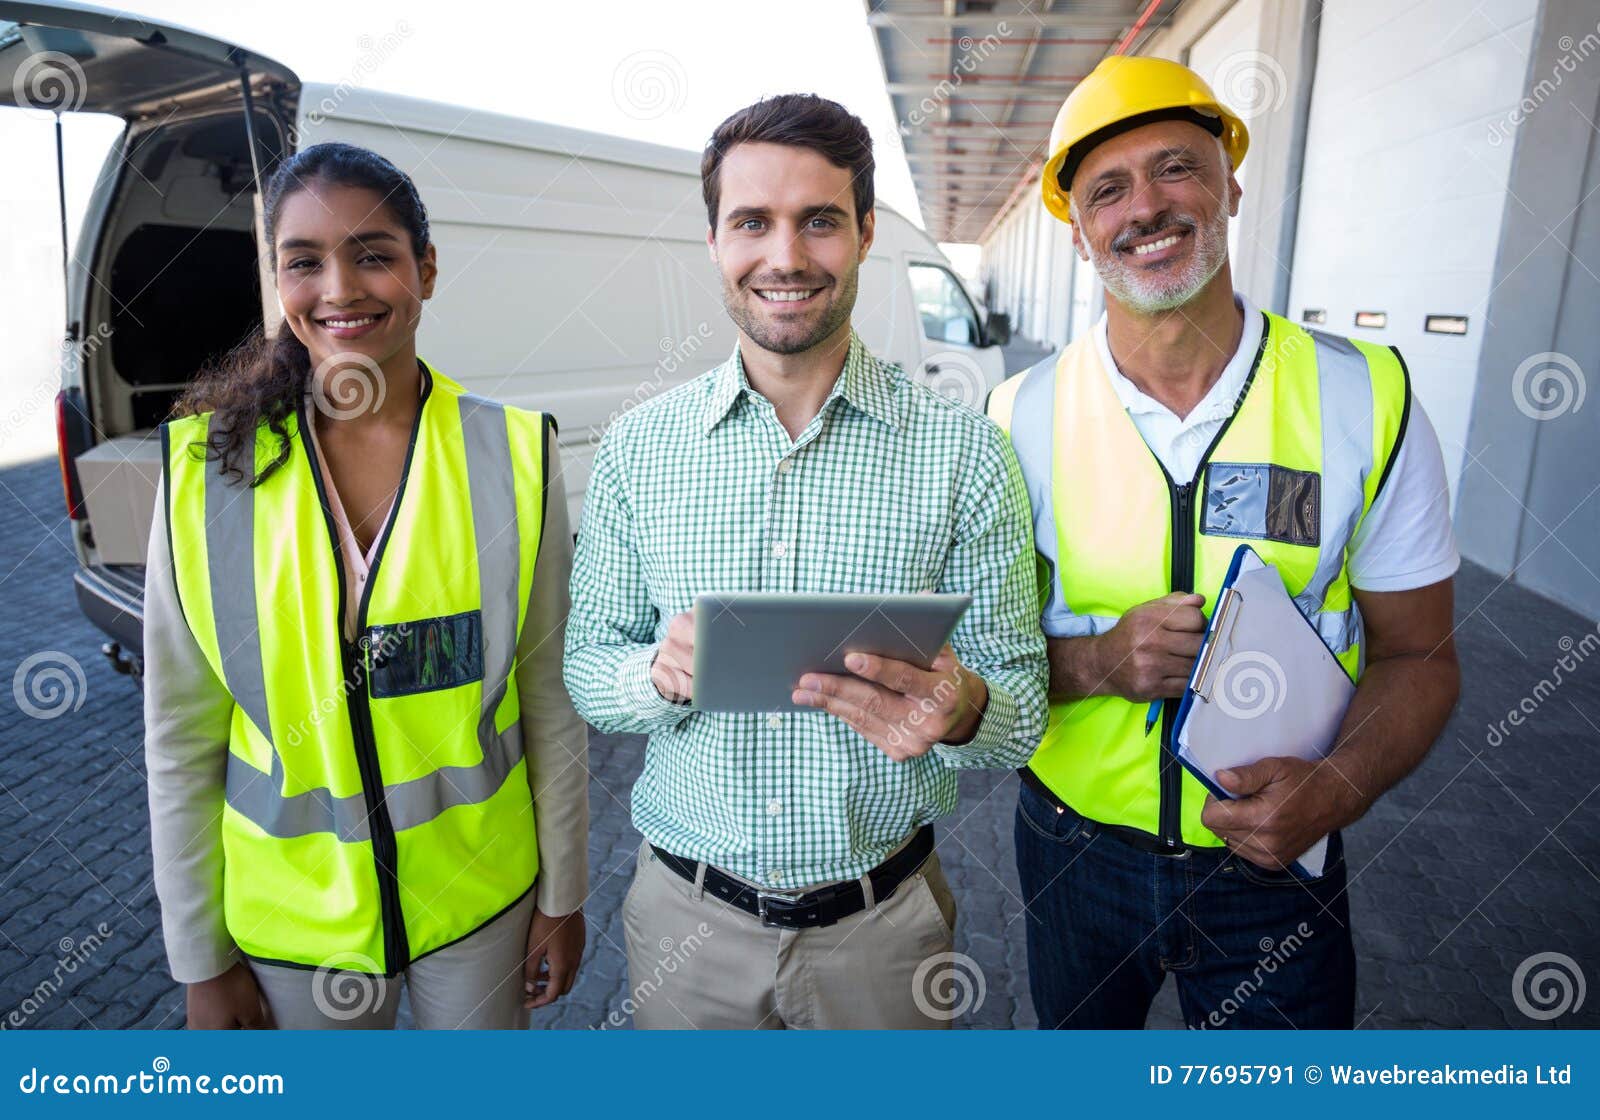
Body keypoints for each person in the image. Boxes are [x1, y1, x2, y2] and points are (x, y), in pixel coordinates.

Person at [988, 57, 1461, 1029]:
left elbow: (1421, 654)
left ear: (1230, 183)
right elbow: (977, 664)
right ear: (1078, 232)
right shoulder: (1015, 417)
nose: (1146, 207)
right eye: (1107, 189)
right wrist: (1096, 658)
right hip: (1074, 850)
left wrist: (1335, 786)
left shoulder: (1363, 395)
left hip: (1275, 855)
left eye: (1176, 168)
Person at [563, 94, 1047, 1029]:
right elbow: (587, 667)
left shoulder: (963, 452)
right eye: (752, 222)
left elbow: (1020, 705)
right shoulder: (638, 450)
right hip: (684, 928)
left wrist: (963, 707)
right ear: (714, 240)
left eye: (819, 221)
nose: (784, 257)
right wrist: (654, 677)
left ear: (866, 233)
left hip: (885, 934)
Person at [143, 142, 589, 1029]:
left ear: (425, 268)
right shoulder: (201, 473)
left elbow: (550, 700)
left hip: (482, 901)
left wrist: (563, 893)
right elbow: (179, 736)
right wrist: (200, 958)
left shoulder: (515, 454)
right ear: (278, 281)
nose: (339, 288)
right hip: (293, 921)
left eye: (373, 254)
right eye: (304, 261)